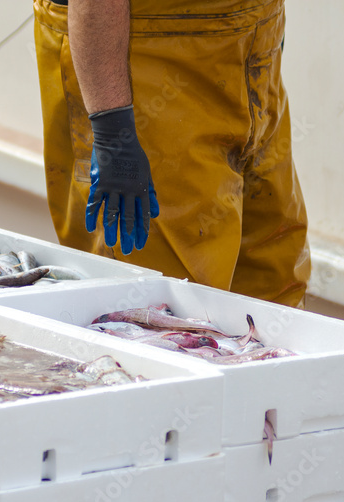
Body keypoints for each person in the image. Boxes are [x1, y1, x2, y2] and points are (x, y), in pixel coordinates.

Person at [33, 0, 311, 308]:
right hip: (140, 60)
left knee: (273, 285)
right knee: (164, 308)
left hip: (248, 48)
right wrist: (112, 129)